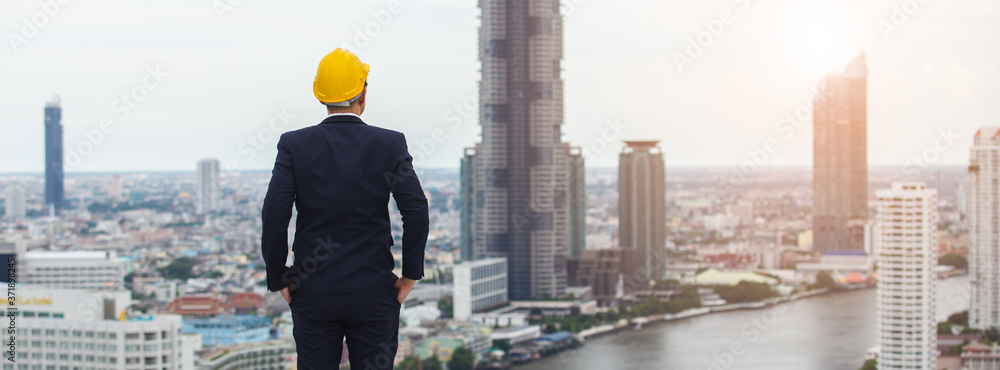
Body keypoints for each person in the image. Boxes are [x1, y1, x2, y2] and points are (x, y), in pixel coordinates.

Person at [260, 48, 429, 370]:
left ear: (319, 95)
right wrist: (410, 275)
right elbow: (416, 210)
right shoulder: (389, 143)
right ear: (363, 94)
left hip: (313, 289)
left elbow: (274, 214)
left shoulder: (294, 144)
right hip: (374, 289)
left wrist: (278, 277)